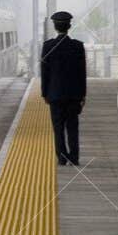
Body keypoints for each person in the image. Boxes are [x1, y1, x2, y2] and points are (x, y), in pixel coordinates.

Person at [40, 10, 86, 166]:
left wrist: (45, 93)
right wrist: (82, 95)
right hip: (73, 96)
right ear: (69, 26)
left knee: (58, 127)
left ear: (55, 27)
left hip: (55, 95)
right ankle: (74, 157)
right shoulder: (78, 46)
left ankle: (62, 157)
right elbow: (82, 73)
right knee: (73, 127)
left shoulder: (48, 46)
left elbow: (44, 72)